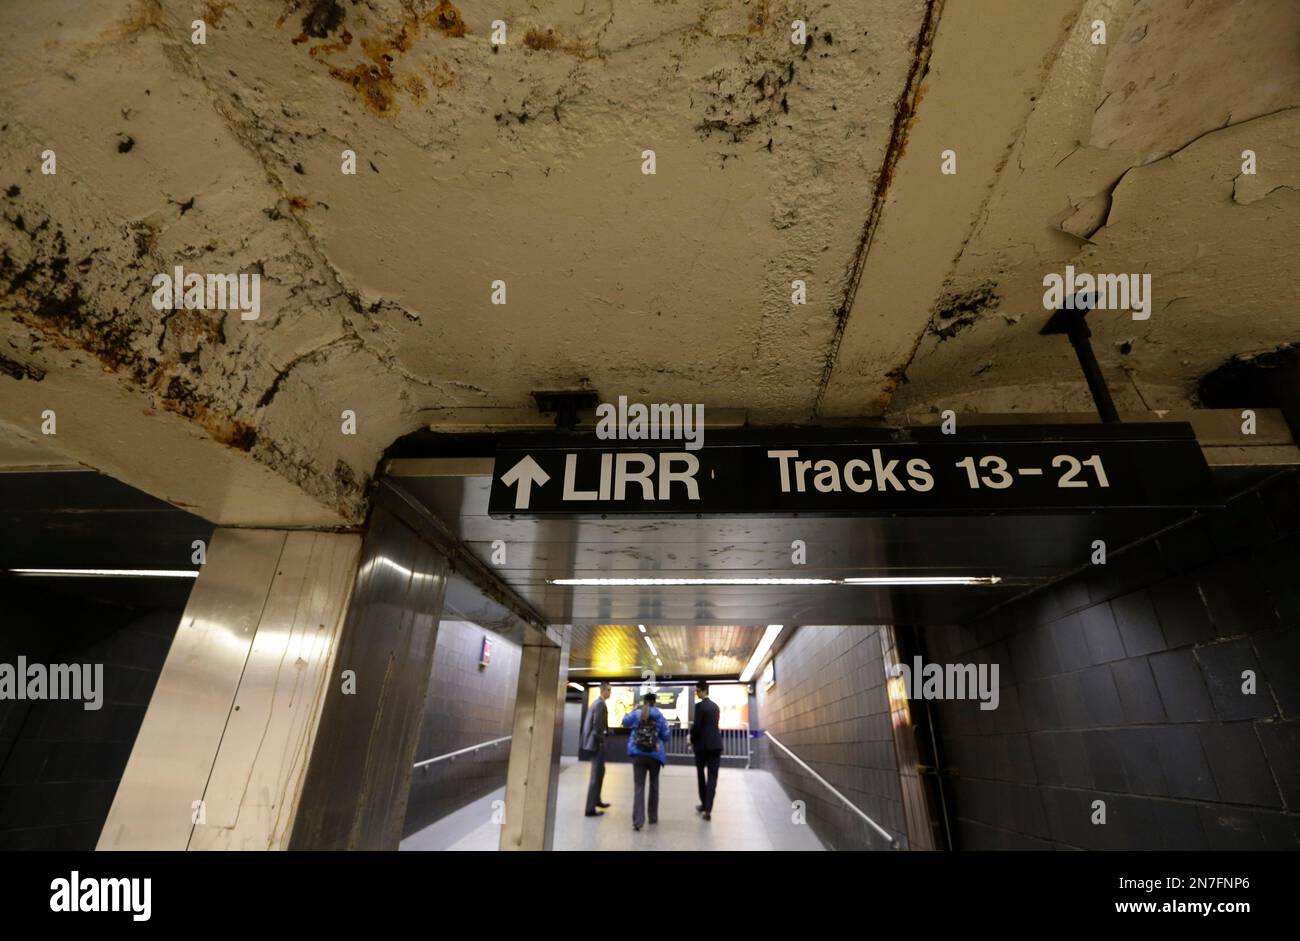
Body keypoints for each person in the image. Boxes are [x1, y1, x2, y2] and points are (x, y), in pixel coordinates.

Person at [622, 691, 670, 831]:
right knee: (654, 786)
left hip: (638, 754)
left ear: (644, 702)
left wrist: (633, 709)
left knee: (639, 787)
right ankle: (653, 817)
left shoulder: (637, 713)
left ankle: (638, 821)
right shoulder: (659, 715)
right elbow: (666, 736)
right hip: (654, 755)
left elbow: (625, 722)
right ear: (655, 702)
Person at [690, 679, 724, 821]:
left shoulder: (699, 707)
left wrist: (691, 739)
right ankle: (708, 809)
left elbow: (697, 727)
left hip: (702, 747)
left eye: (698, 691)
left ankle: (704, 804)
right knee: (712, 778)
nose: (697, 693)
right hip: (716, 745)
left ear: (704, 690)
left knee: (700, 775)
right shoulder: (716, 707)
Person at [581, 682, 613, 817]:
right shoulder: (600, 704)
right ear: (604, 690)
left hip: (593, 742)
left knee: (600, 772)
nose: (610, 692)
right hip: (596, 744)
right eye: (609, 690)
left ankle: (597, 800)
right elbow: (598, 725)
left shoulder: (596, 703)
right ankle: (590, 809)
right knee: (596, 775)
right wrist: (601, 739)